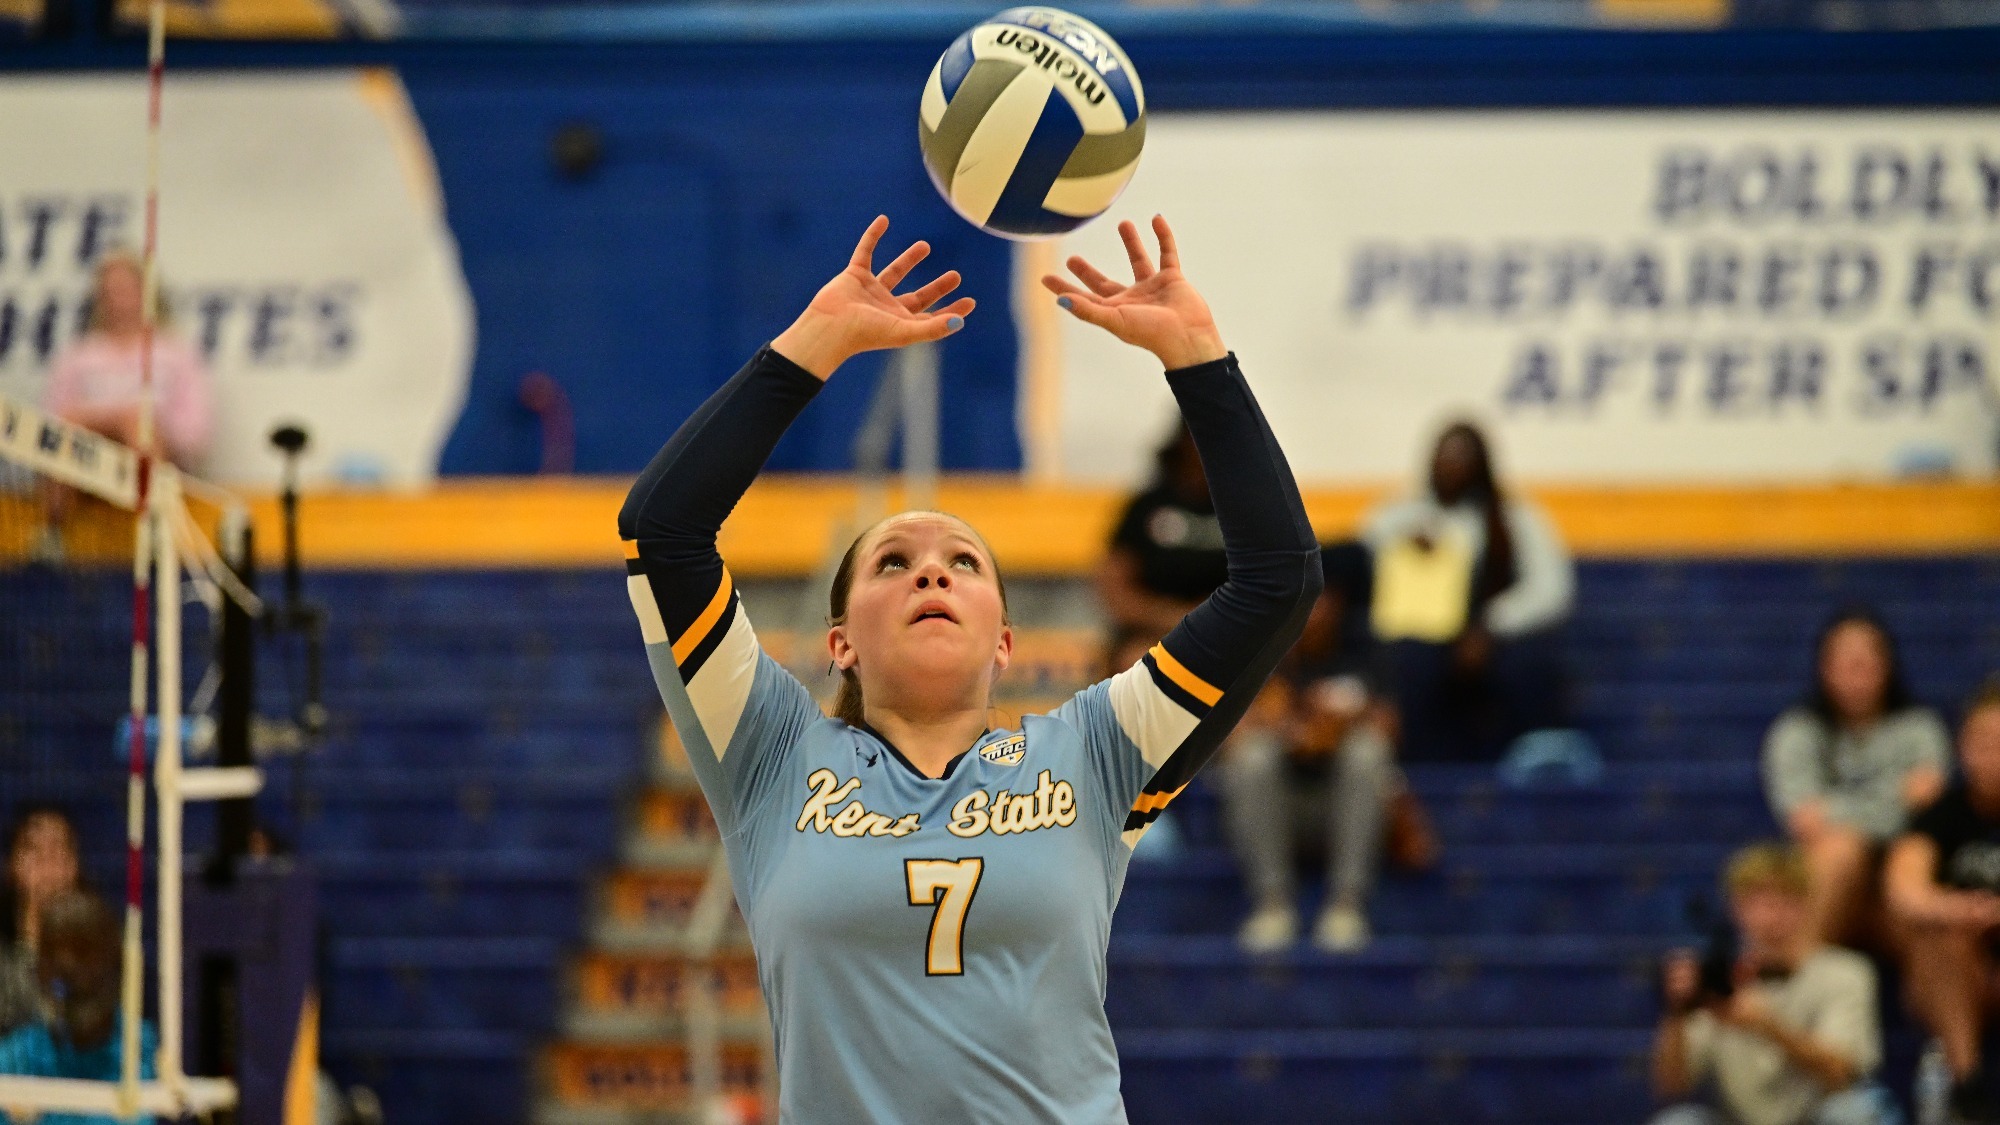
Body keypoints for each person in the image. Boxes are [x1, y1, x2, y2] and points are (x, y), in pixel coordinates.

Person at [618, 214, 1319, 1121]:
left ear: (1004, 639)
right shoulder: (768, 755)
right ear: (840, 642)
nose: (932, 570)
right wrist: (815, 346)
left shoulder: (1097, 752)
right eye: (892, 563)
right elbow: (662, 534)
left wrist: (1198, 360)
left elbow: (1277, 584)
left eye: (964, 561)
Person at [1218, 542, 1399, 954]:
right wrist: (1284, 727)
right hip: (1280, 803)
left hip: (1344, 800)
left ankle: (1346, 904)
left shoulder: (1365, 654)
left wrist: (1337, 724)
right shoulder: (1263, 657)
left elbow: (1390, 728)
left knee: (1368, 751)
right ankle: (1273, 904)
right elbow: (1229, 737)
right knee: (1251, 756)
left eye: (1318, 600)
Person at [1362, 421, 1573, 761]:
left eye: (1463, 457)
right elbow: (1365, 559)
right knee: (1406, 664)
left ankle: (1521, 768)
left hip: (1490, 637)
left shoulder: (1514, 518)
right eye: (1445, 456)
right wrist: (1403, 546)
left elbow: (1551, 590)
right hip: (1417, 638)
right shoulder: (1398, 515)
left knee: (1531, 667)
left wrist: (1490, 626)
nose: (1452, 466)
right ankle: (1418, 770)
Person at [1651, 843, 1896, 1125]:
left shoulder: (1844, 972)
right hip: (1740, 1120)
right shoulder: (1721, 979)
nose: (1768, 916)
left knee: (1858, 1112)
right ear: (1735, 909)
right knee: (1677, 1121)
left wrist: (1769, 1028)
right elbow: (1672, 1086)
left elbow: (1842, 1073)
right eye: (1754, 902)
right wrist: (1676, 1012)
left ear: (1805, 904)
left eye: (1781, 901)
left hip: (1816, 1118)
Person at [1764, 608, 1950, 949]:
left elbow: (1928, 811)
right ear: (1824, 667)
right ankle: (1797, 975)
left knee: (1932, 901)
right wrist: (1896, 803)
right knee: (1840, 853)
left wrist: (1836, 813)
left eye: (1867, 657)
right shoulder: (1797, 732)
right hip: (1823, 880)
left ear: (1887, 664)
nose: (1857, 668)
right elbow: (1804, 821)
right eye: (1846, 658)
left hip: (1897, 881)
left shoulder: (1920, 729)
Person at [1884, 678, 2000, 1123]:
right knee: (1940, 940)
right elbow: (1903, 888)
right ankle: (1967, 1083)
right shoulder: (1943, 814)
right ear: (1962, 747)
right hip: (1957, 973)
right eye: (1983, 741)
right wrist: (1963, 909)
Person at [42, 250, 214, 469]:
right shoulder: (77, 355)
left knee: (139, 426)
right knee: (69, 427)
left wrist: (137, 422)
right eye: (109, 292)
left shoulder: (175, 352)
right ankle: (58, 505)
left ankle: (146, 498)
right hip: (86, 461)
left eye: (126, 290)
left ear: (148, 293)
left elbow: (195, 433)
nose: (117, 301)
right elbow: (51, 421)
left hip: (161, 457)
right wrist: (110, 421)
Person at [0, 890, 157, 1125]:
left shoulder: (147, 1052)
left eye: (83, 951)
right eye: (52, 954)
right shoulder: (16, 1060)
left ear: (115, 960)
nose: (68, 968)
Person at [1099, 420, 1228, 639]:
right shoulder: (1147, 507)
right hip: (1154, 636)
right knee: (1142, 661)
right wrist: (1176, 617)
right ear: (1183, 442)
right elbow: (1115, 590)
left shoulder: (1249, 512)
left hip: (1231, 636)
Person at [0, 806, 84, 1037]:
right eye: (34, 850)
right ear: (13, 864)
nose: (47, 863)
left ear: (74, 866)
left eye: (58, 850)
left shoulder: (100, 955)